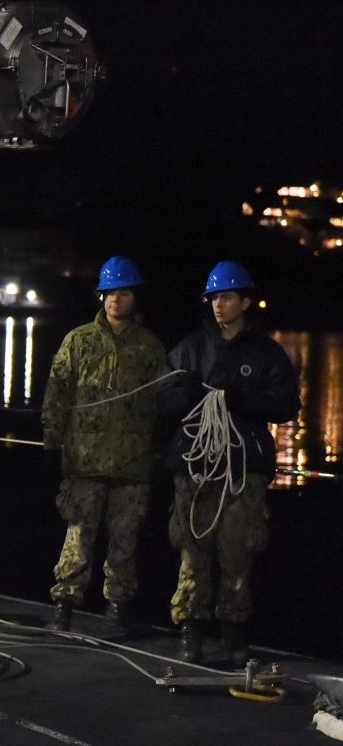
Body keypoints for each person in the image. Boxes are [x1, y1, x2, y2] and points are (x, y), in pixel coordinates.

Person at [160, 261, 298, 666]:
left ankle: (234, 633)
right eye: (213, 298)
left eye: (226, 297)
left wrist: (243, 399)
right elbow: (161, 400)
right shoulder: (190, 349)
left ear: (245, 302)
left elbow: (287, 404)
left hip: (243, 466)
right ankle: (190, 628)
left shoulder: (266, 352)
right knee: (192, 548)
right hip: (195, 464)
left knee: (237, 551)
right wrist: (182, 395)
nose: (218, 305)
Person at [41, 256, 166, 632]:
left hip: (133, 465)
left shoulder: (149, 347)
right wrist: (52, 441)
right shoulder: (78, 341)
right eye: (109, 292)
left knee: (125, 543)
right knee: (78, 537)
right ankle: (64, 607)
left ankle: (116, 612)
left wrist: (159, 450)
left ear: (134, 297)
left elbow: (165, 403)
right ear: (100, 297)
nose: (115, 299)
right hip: (85, 461)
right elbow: (56, 394)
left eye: (123, 291)